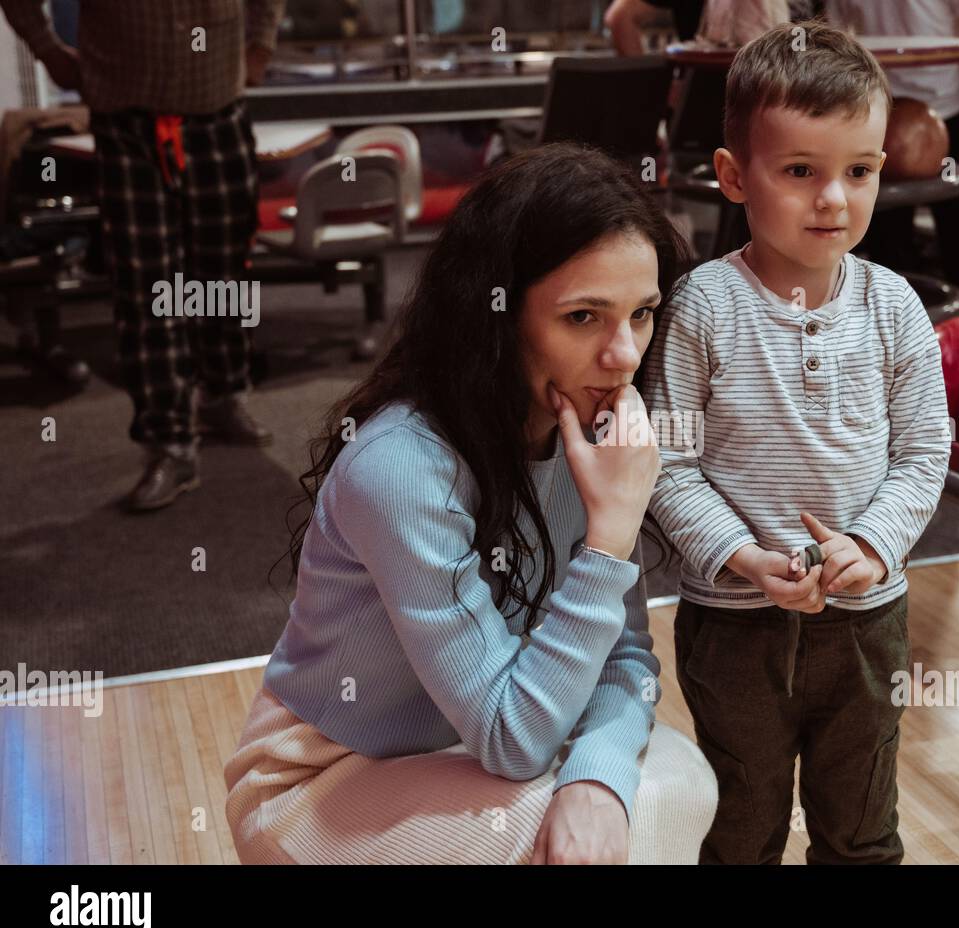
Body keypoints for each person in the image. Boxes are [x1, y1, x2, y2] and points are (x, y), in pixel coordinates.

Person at [223, 142, 719, 865]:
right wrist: (608, 540)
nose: (623, 355)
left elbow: (629, 659)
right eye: (584, 317)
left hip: (469, 745)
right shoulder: (401, 467)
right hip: (321, 775)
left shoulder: (589, 431)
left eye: (642, 313)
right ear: (497, 315)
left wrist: (595, 781)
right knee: (546, 827)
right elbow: (512, 740)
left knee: (670, 786)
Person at [642, 22, 951, 864]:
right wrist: (742, 556)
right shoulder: (702, 306)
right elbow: (668, 464)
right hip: (734, 625)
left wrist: (872, 545)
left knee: (861, 826)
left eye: (860, 171)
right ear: (735, 176)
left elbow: (924, 453)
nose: (835, 199)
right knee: (740, 825)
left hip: (866, 621)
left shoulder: (895, 307)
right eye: (801, 172)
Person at [0, 0, 285, 512]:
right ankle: (169, 443)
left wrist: (261, 42)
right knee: (148, 285)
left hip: (216, 108)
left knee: (220, 271)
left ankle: (221, 395)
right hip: (126, 121)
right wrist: (47, 52)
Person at [828, 0, 959, 309]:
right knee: (887, 244)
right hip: (880, 111)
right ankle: (896, 343)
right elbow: (838, 33)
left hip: (949, 107)